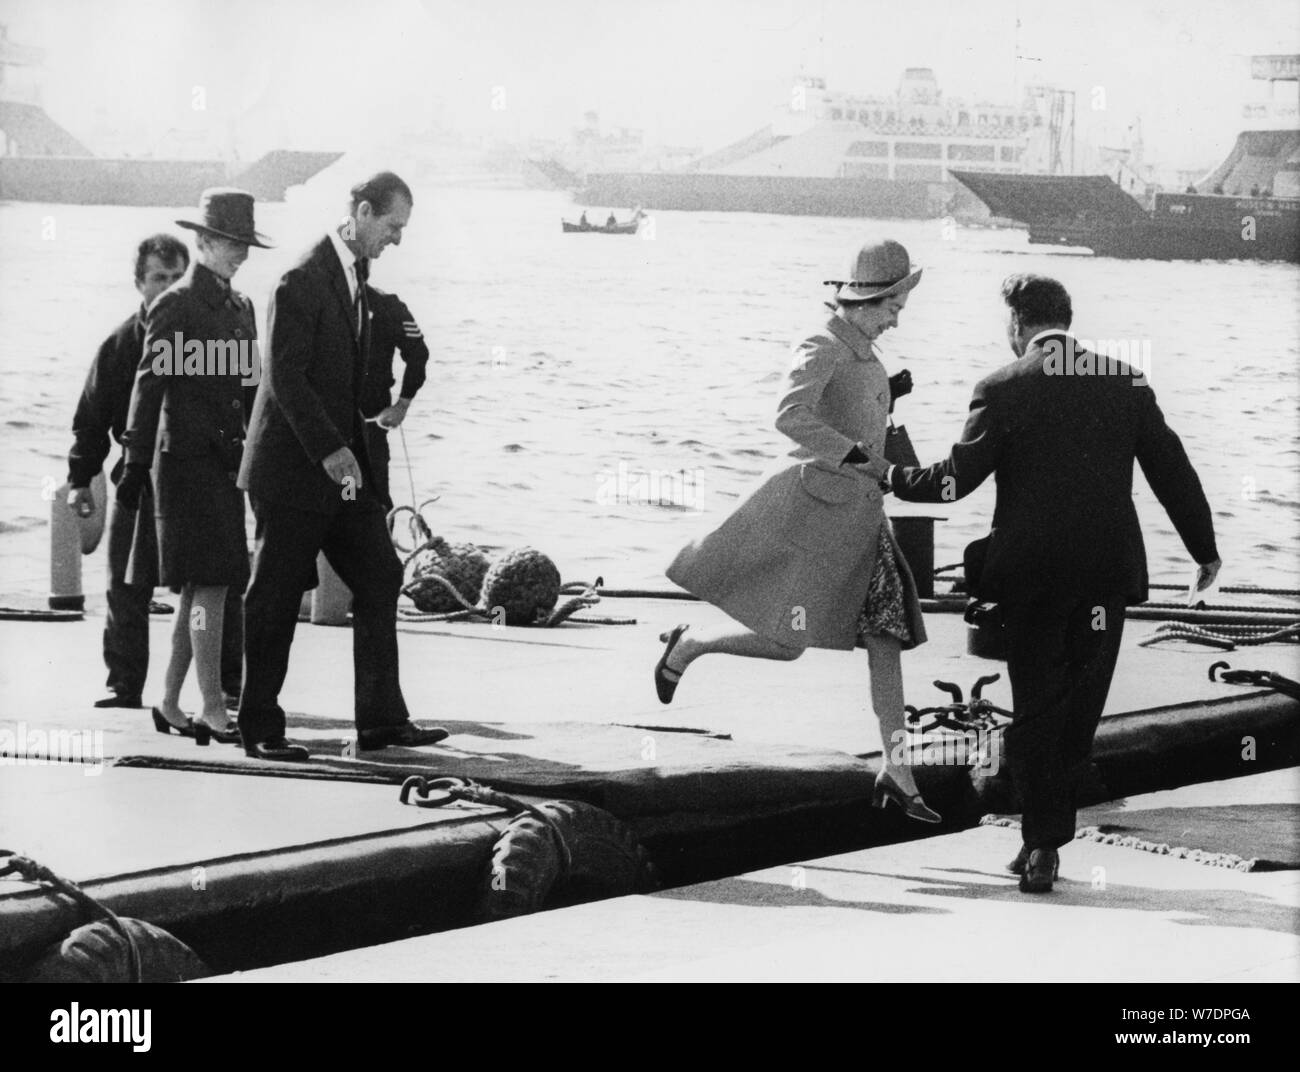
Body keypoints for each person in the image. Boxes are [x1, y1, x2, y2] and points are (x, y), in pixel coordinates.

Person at [871, 274, 1220, 891]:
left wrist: (891, 475)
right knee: (1080, 709)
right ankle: (1044, 838)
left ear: (1017, 323)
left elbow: (953, 483)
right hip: (1106, 576)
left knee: (1036, 708)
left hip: (1030, 581)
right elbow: (1172, 468)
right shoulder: (1125, 380)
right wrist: (1204, 550)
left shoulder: (1002, 386)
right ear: (1066, 318)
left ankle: (1041, 846)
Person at [660, 238, 937, 822]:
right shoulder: (822, 343)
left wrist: (888, 401)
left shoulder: (862, 351)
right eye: (892, 308)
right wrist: (860, 455)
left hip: (864, 517)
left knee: (886, 637)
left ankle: (898, 770)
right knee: (788, 644)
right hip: (818, 514)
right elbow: (790, 416)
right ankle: (692, 643)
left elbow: (845, 408)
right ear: (865, 301)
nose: (895, 319)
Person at [237, 171, 448, 760]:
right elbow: (285, 376)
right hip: (293, 471)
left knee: (381, 576)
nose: (397, 238)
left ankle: (380, 722)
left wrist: (357, 457)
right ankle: (260, 730)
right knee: (275, 596)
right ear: (362, 212)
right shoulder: (301, 280)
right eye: (392, 225)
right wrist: (331, 449)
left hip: (343, 477)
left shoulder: (356, 278)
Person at [119, 189, 270, 745]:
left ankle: (168, 702)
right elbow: (148, 386)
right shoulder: (176, 304)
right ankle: (211, 708)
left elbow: (251, 390)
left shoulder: (241, 307)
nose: (242, 253)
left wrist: (262, 454)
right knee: (210, 585)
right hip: (184, 467)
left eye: (246, 244)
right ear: (203, 241)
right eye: (232, 242)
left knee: (203, 590)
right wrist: (134, 462)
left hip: (225, 466)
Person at [359, 271, 429, 510]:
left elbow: (418, 354)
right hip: (325, 430)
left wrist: (403, 404)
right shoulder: (316, 301)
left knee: (374, 501)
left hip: (371, 424)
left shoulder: (385, 305)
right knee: (336, 502)